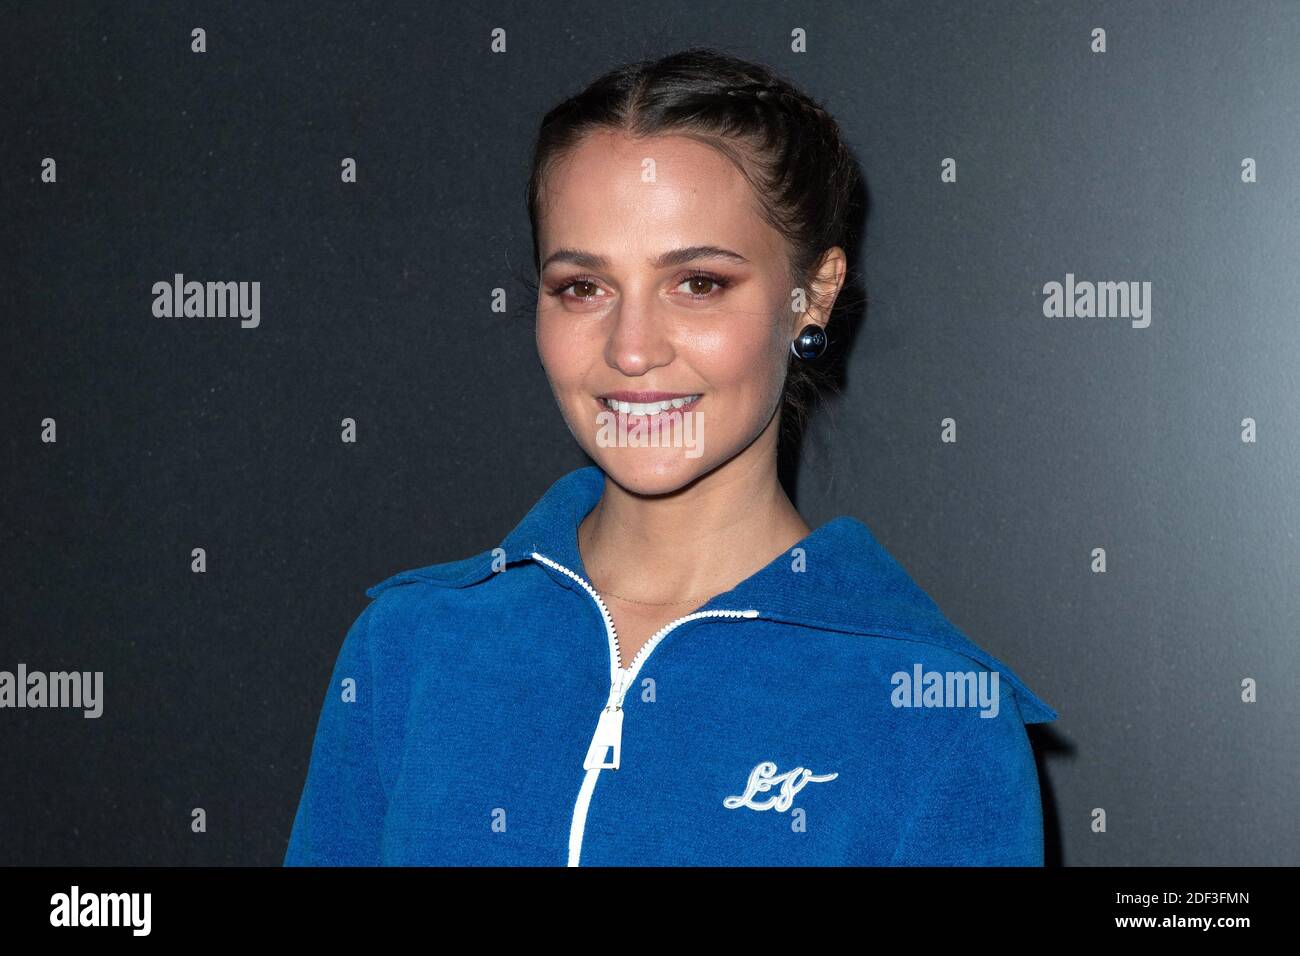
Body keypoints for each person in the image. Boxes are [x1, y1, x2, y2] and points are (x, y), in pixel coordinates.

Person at [284, 47, 1057, 867]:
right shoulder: (409, 647)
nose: (631, 349)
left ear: (812, 296)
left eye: (698, 283)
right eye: (584, 287)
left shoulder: (939, 714)